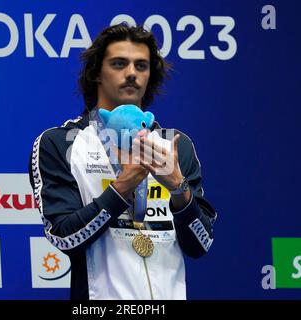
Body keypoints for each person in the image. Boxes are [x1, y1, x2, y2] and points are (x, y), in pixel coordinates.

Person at [29, 24, 217, 300]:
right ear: (96, 73)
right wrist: (121, 189)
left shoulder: (175, 146)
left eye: (141, 66)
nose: (131, 73)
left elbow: (201, 244)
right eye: (119, 63)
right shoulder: (61, 142)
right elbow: (64, 238)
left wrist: (179, 188)